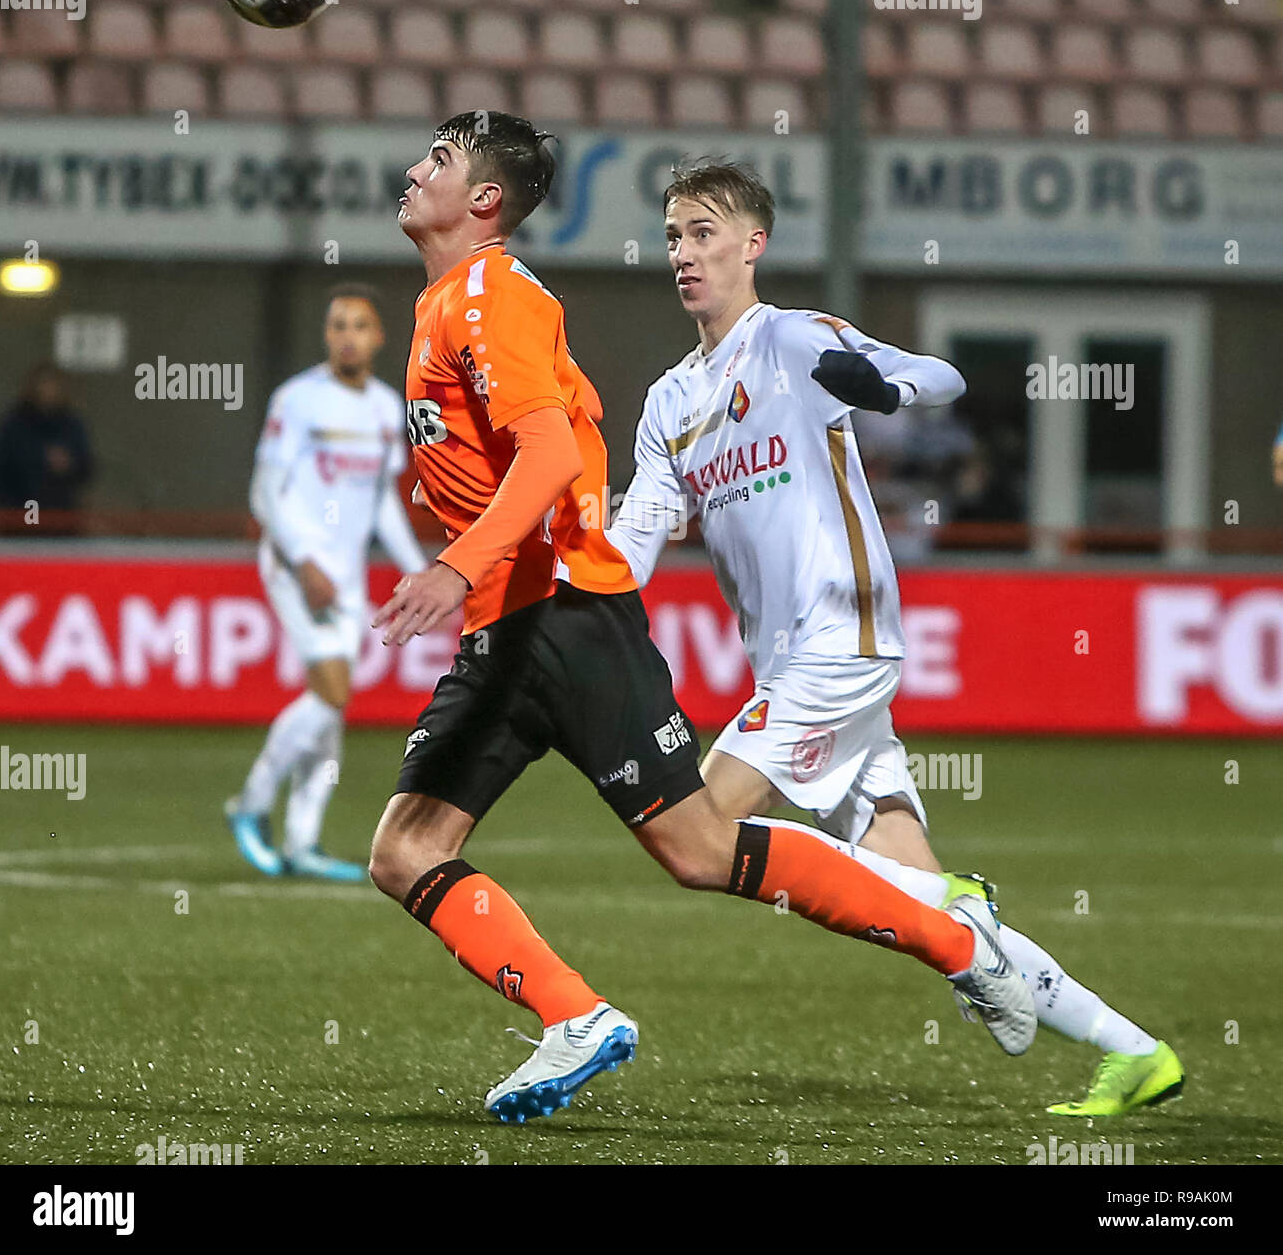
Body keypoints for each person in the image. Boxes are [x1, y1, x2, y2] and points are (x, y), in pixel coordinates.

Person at [365, 111, 1034, 1126]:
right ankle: (581, 1018)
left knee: (698, 845)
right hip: (518, 621)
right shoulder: (448, 305)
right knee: (424, 849)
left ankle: (956, 939)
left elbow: (546, 456)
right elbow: (581, 467)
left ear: (487, 200)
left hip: (559, 617)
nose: (413, 171)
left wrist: (457, 566)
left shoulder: (490, 296)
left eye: (441, 161)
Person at [606, 158, 1182, 1119]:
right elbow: (635, 548)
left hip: (845, 635)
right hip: (791, 661)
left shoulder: (792, 341)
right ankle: (1130, 1048)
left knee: (700, 829)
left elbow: (941, 373)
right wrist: (569, 577)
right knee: (921, 894)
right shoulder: (670, 403)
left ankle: (965, 928)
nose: (684, 254)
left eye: (704, 233)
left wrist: (881, 387)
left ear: (754, 245)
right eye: (673, 236)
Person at [226, 285, 425, 881]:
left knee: (330, 710)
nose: (346, 335)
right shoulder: (299, 400)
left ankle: (302, 843)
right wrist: (305, 560)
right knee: (333, 692)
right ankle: (251, 803)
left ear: (378, 337)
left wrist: (420, 569)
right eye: (337, 324)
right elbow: (264, 491)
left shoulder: (389, 408)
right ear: (326, 335)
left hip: (345, 575)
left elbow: (384, 503)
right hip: (297, 567)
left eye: (358, 325)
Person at [0, 361, 94, 533]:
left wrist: (69, 465)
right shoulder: (13, 426)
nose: (47, 390)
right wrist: (1, 510)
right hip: (17, 522)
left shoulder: (71, 424)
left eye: (53, 384)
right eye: (43, 384)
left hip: (61, 522)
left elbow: (87, 468)